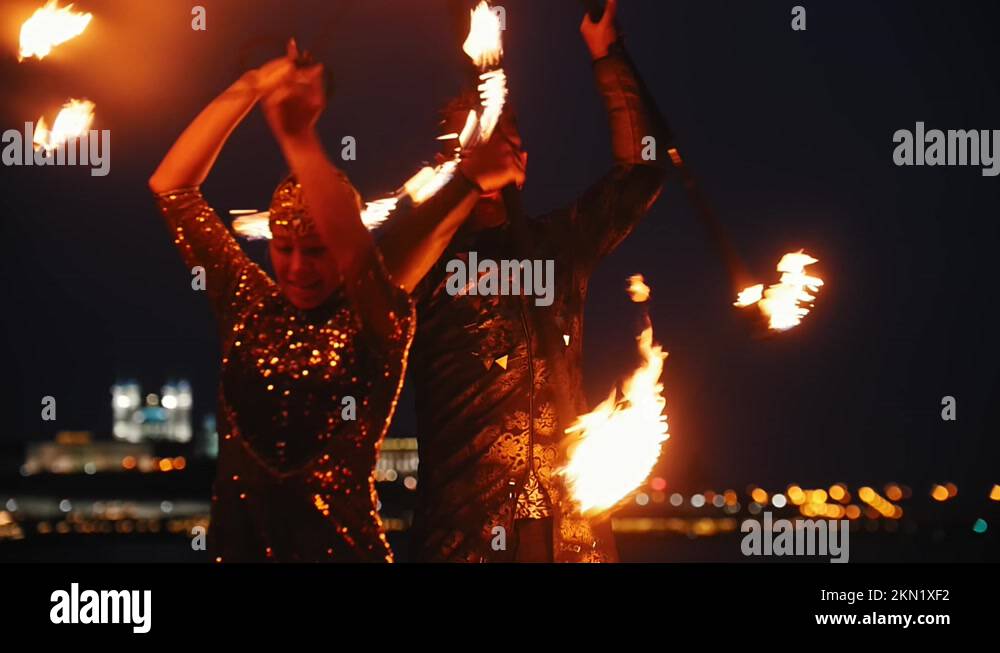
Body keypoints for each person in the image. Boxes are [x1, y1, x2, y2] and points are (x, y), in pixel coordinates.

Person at [148, 40, 525, 562]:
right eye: (285, 249)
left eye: (317, 251)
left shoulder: (377, 318)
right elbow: (172, 187)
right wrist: (251, 86)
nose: (299, 267)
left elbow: (356, 251)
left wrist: (298, 137)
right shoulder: (247, 305)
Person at [385, 0, 671, 562]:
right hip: (462, 542)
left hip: (575, 538)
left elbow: (642, 172)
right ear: (449, 160)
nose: (494, 144)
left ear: (524, 154)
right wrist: (468, 185)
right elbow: (384, 285)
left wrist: (605, 56)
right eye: (472, 140)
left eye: (505, 132)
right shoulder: (424, 258)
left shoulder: (559, 244)